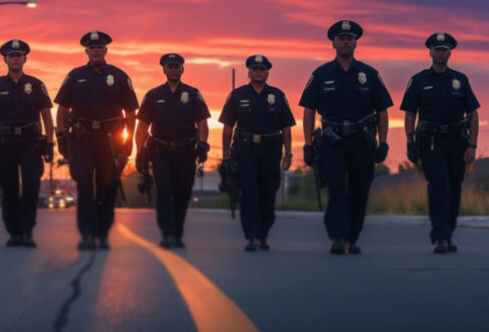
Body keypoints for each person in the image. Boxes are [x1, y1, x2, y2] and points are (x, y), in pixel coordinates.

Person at [300, 20, 393, 255]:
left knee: (360, 190)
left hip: (362, 142)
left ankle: (353, 237)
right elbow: (308, 110)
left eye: (349, 38)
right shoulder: (320, 74)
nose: (345, 42)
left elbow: (382, 110)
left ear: (355, 43)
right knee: (337, 188)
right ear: (333, 43)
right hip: (332, 142)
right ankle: (338, 236)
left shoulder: (369, 74)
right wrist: (308, 144)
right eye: (341, 39)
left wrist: (383, 143)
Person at [54, 31, 139, 250]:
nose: (96, 51)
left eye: (99, 47)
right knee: (84, 183)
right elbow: (62, 109)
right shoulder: (74, 76)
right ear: (86, 51)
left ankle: (102, 231)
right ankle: (87, 233)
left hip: (111, 139)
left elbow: (130, 113)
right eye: (92, 48)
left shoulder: (119, 76)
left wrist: (128, 143)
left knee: (107, 185)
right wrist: (61, 136)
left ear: (105, 50)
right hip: (82, 139)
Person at [400, 32, 479, 254]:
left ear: (450, 52)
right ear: (430, 52)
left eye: (444, 49)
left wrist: (472, 145)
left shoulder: (460, 80)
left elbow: (473, 114)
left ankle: (448, 233)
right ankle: (439, 237)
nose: (441, 52)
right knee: (439, 186)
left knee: (454, 188)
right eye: (437, 49)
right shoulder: (418, 80)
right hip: (430, 142)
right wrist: (410, 142)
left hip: (457, 142)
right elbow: (409, 114)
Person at [0, 39, 54, 248]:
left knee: (31, 185)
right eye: (11, 55)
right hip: (5, 143)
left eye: (18, 55)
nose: (15, 59)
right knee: (9, 188)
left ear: (25, 59)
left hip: (31, 142)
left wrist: (49, 144)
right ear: (5, 59)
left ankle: (27, 230)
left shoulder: (37, 85)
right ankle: (14, 232)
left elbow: (47, 117)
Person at [219, 55, 295, 251]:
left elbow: (286, 127)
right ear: (249, 72)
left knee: (267, 193)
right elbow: (227, 128)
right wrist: (226, 156)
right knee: (249, 192)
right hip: (245, 151)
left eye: (262, 69)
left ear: (267, 72)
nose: (259, 72)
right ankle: (251, 236)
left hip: (271, 151)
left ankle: (263, 235)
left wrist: (289, 154)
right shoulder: (237, 95)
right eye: (255, 69)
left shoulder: (277, 96)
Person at [134, 53, 210, 249]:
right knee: (164, 190)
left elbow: (202, 121)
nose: (174, 69)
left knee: (183, 192)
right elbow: (142, 126)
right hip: (160, 151)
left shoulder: (193, 94)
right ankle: (168, 233)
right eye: (170, 66)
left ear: (183, 69)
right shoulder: (153, 95)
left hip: (186, 151)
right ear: (164, 69)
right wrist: (140, 151)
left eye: (177, 66)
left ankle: (177, 231)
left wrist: (202, 144)